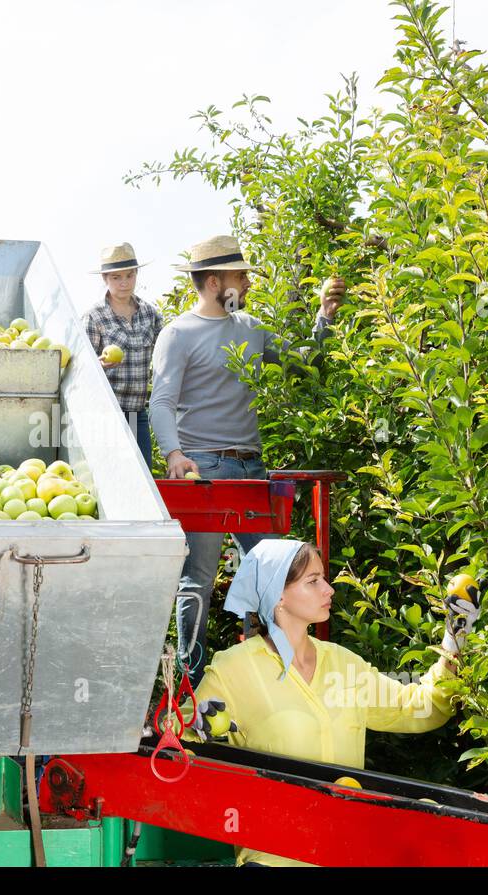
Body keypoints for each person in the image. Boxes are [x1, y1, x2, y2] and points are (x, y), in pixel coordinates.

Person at [181, 539, 480, 867]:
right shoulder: (234, 669)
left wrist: (455, 636)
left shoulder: (343, 664)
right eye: (313, 581)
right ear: (278, 594)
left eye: (323, 578)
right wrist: (197, 723)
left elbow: (423, 708)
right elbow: (175, 741)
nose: (329, 589)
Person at [150, 234, 346, 684]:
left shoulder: (252, 329)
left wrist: (324, 317)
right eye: (241, 275)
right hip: (202, 468)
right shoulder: (178, 334)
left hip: (250, 466)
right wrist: (174, 454)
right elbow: (161, 402)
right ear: (215, 281)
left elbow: (301, 364)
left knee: (272, 576)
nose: (249, 282)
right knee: (197, 579)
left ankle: (270, 681)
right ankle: (191, 688)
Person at [83, 242, 164, 468]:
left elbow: (163, 358)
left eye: (130, 275)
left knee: (144, 478)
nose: (124, 283)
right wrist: (97, 365)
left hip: (137, 413)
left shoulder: (150, 314)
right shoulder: (94, 317)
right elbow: (81, 372)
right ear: (105, 279)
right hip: (107, 414)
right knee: (109, 475)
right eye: (117, 277)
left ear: (137, 274)